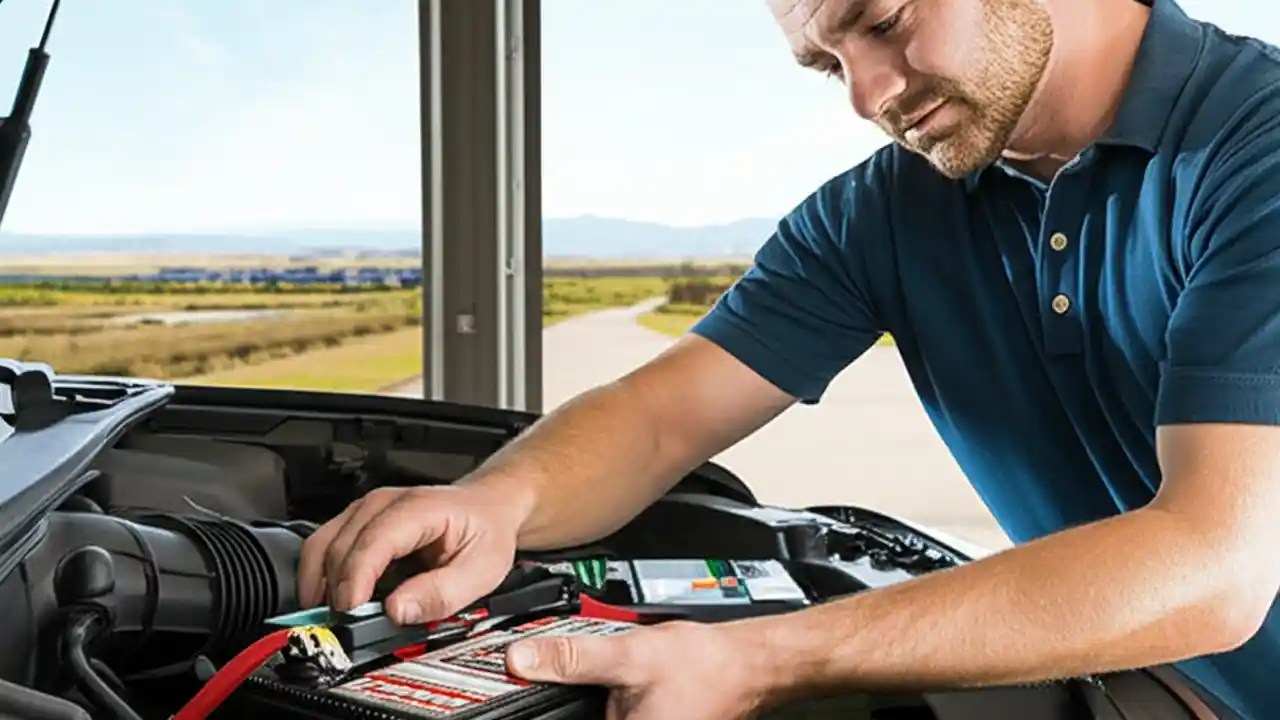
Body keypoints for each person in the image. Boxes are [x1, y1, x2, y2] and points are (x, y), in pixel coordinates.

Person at [298, 0, 1280, 716]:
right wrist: (495, 504)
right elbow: (659, 419)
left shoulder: (1256, 151)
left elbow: (1213, 565)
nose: (867, 95)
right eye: (826, 63)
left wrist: (762, 658)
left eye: (884, 22)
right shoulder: (881, 212)